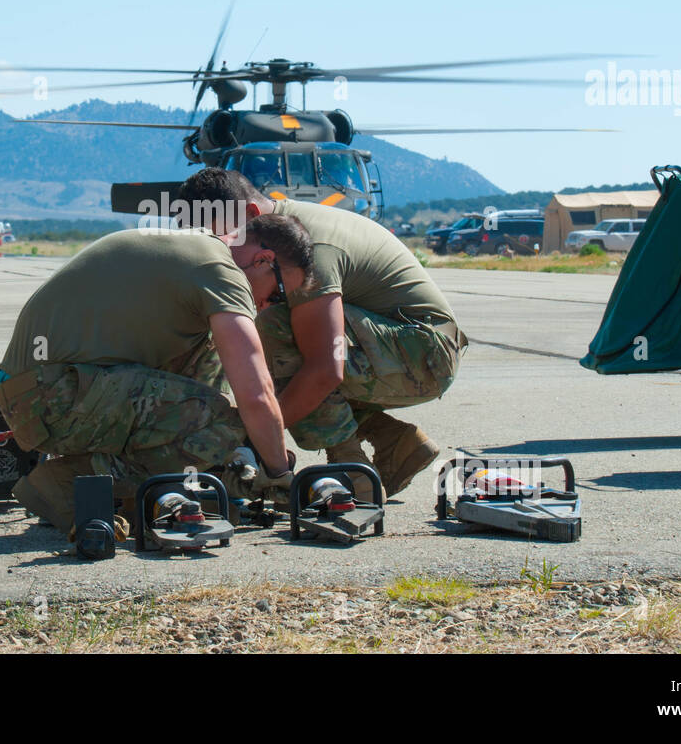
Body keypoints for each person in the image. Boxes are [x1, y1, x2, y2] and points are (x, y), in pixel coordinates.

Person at [0, 215, 314, 532]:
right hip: (50, 397)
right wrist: (279, 473)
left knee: (212, 354)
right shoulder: (221, 272)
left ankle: (144, 487)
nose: (270, 307)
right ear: (262, 260)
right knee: (226, 426)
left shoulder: (195, 250)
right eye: (278, 295)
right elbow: (256, 396)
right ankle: (68, 481)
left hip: (42, 393)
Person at [177, 168, 465, 498]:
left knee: (275, 329)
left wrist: (250, 439)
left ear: (251, 216)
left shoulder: (303, 248)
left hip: (428, 354)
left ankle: (352, 473)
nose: (218, 254)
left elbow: (325, 370)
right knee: (281, 345)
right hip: (403, 347)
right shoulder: (278, 237)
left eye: (222, 241)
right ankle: (394, 443)